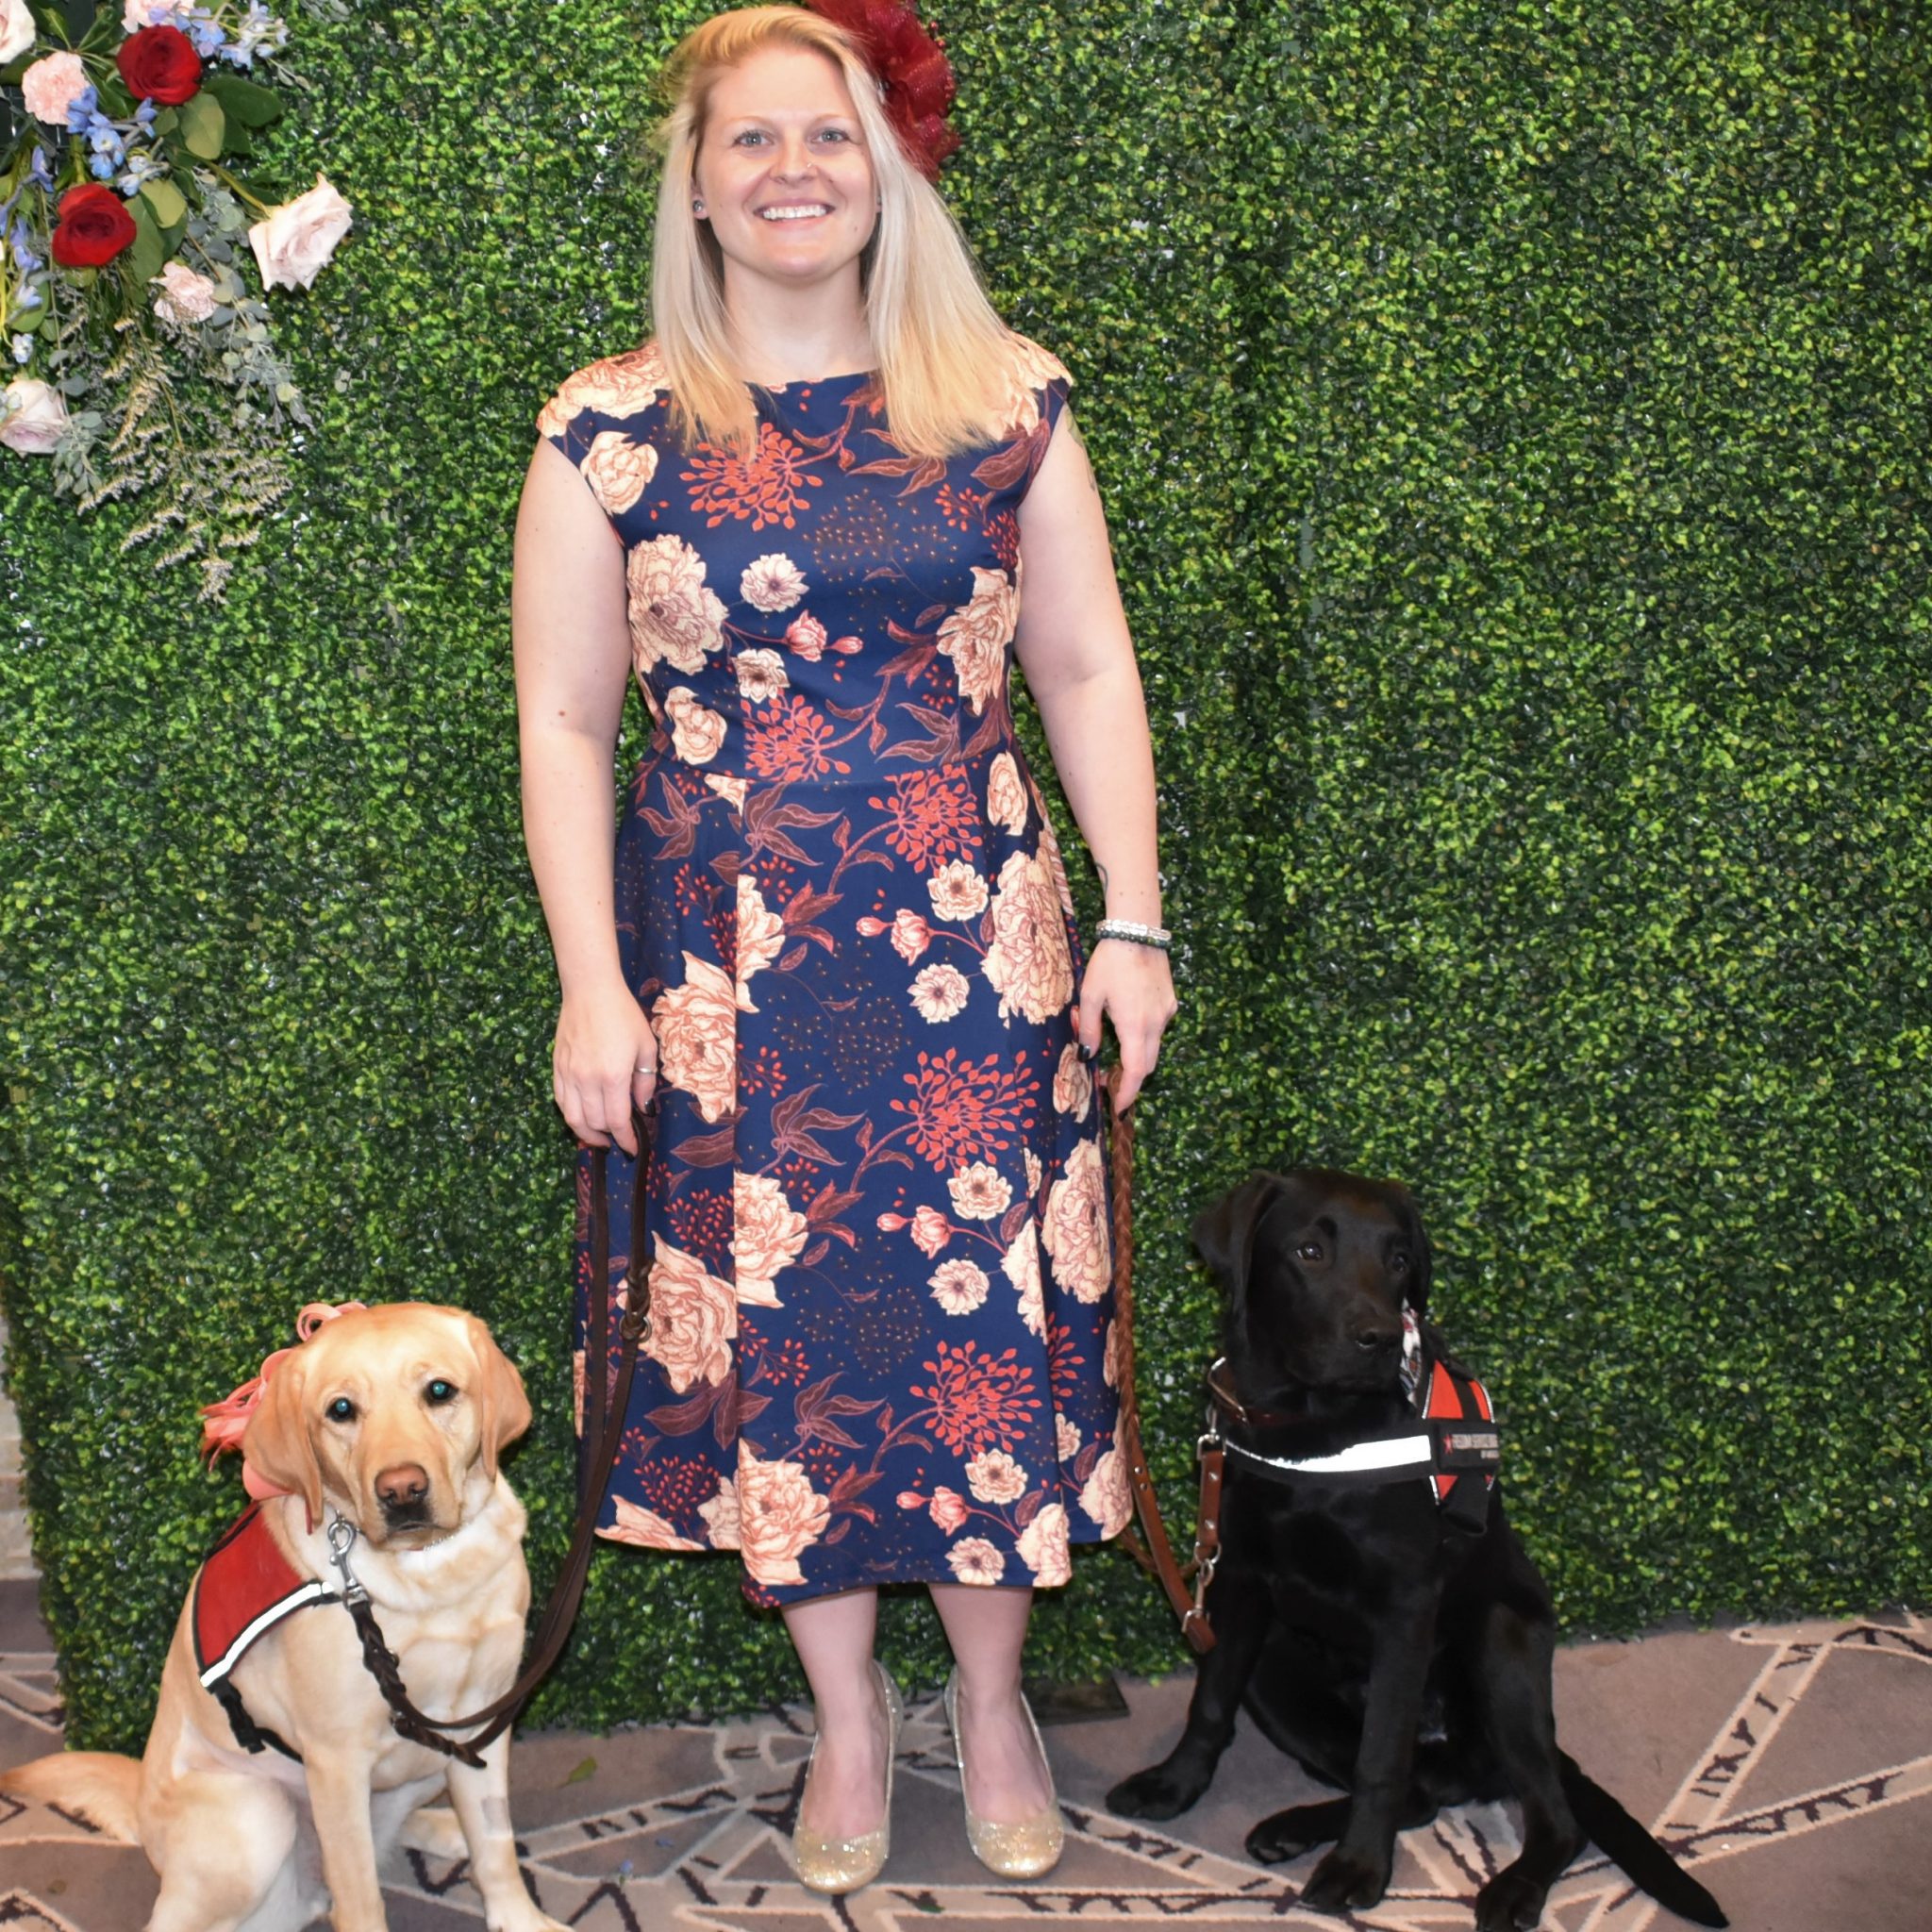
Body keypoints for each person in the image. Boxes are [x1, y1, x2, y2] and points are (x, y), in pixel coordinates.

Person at [510, 0, 1174, 1895]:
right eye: (753, 138)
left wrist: (1132, 916)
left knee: (984, 1329)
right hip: (727, 974)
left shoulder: (1005, 398)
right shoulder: (606, 427)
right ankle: (853, 1719)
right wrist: (590, 984)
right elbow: (563, 718)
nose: (792, 170)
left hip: (979, 953)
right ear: (697, 182)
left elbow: (1085, 668)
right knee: (784, 1344)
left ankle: (993, 1703)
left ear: (884, 169)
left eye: (829, 135)